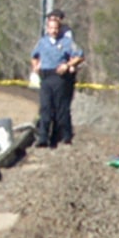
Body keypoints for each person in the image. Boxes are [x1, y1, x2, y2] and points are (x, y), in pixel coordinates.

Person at [31, 14, 82, 148]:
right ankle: (43, 137)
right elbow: (34, 56)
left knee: (61, 108)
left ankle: (63, 136)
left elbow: (79, 56)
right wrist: (35, 66)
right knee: (45, 107)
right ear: (47, 29)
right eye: (51, 28)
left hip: (59, 76)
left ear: (59, 29)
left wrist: (67, 65)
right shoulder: (42, 42)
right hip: (45, 77)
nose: (53, 31)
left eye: (56, 28)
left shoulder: (66, 42)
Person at [46, 8, 82, 145]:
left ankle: (65, 134)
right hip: (51, 73)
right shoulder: (47, 34)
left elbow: (74, 53)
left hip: (65, 72)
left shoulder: (67, 35)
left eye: (55, 18)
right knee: (49, 105)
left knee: (63, 105)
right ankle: (52, 134)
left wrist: (70, 65)